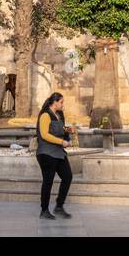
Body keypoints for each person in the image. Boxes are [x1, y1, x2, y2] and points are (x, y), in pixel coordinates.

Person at [36, 91, 73, 220]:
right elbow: (44, 134)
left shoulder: (60, 115)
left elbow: (60, 130)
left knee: (67, 176)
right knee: (48, 181)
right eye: (61, 102)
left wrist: (68, 131)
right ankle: (44, 210)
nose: (63, 105)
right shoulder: (45, 115)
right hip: (46, 153)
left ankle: (59, 206)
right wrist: (61, 142)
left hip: (58, 152)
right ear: (55, 102)